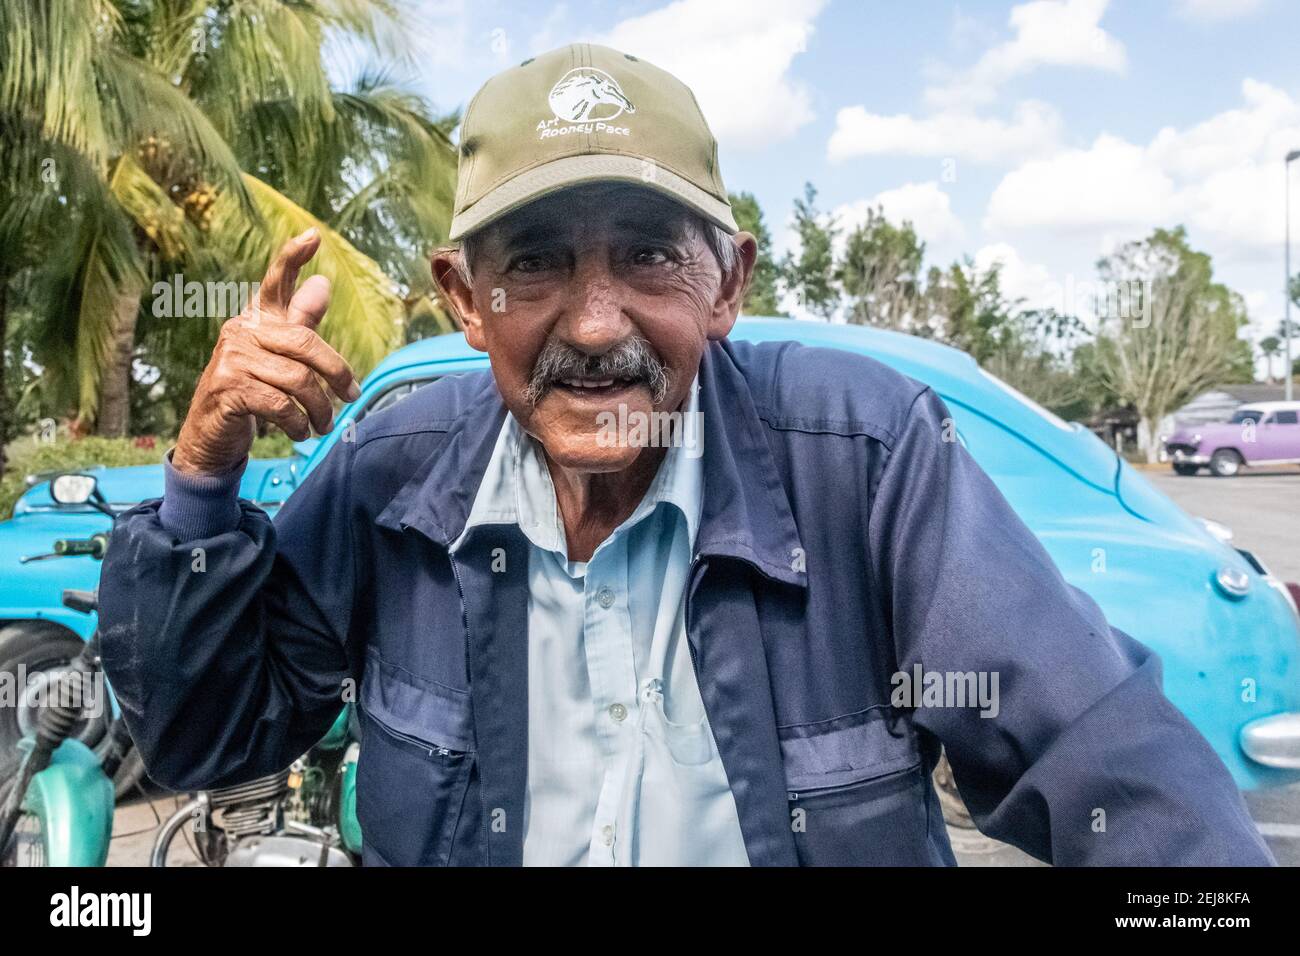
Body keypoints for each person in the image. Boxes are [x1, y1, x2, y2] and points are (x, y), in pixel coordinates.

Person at [99, 43, 1273, 866]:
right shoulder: (389, 472)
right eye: (539, 261)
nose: (597, 321)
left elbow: (1104, 754)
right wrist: (200, 484)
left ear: (728, 285)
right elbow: (209, 733)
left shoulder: (861, 455)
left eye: (651, 258)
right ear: (464, 297)